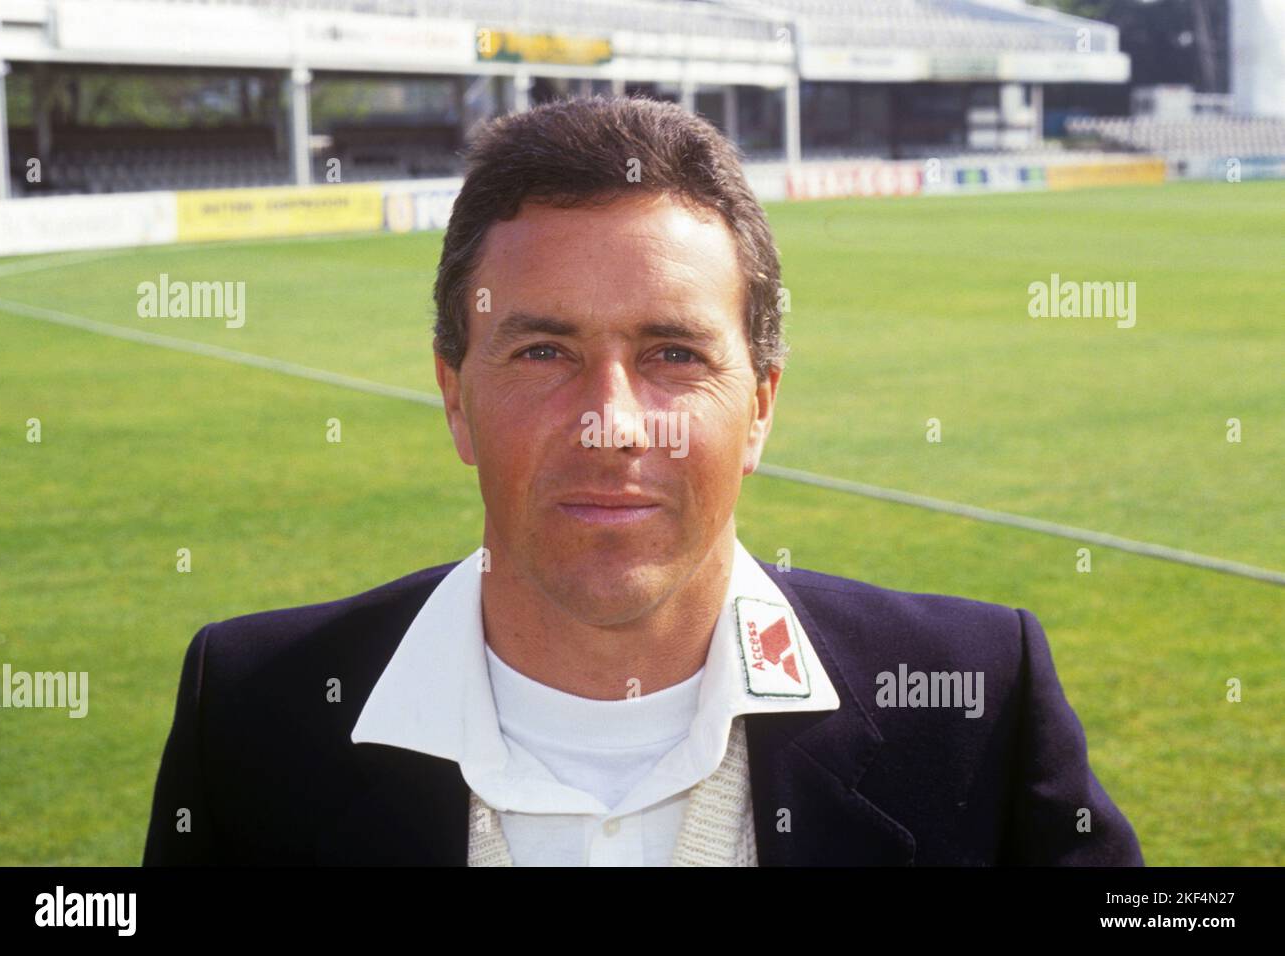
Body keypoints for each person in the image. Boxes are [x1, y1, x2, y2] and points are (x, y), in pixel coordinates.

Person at [143, 94, 1143, 866]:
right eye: (541, 352)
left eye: (672, 353)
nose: (612, 422)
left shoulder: (974, 698)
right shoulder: (253, 712)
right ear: (454, 395)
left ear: (759, 404)